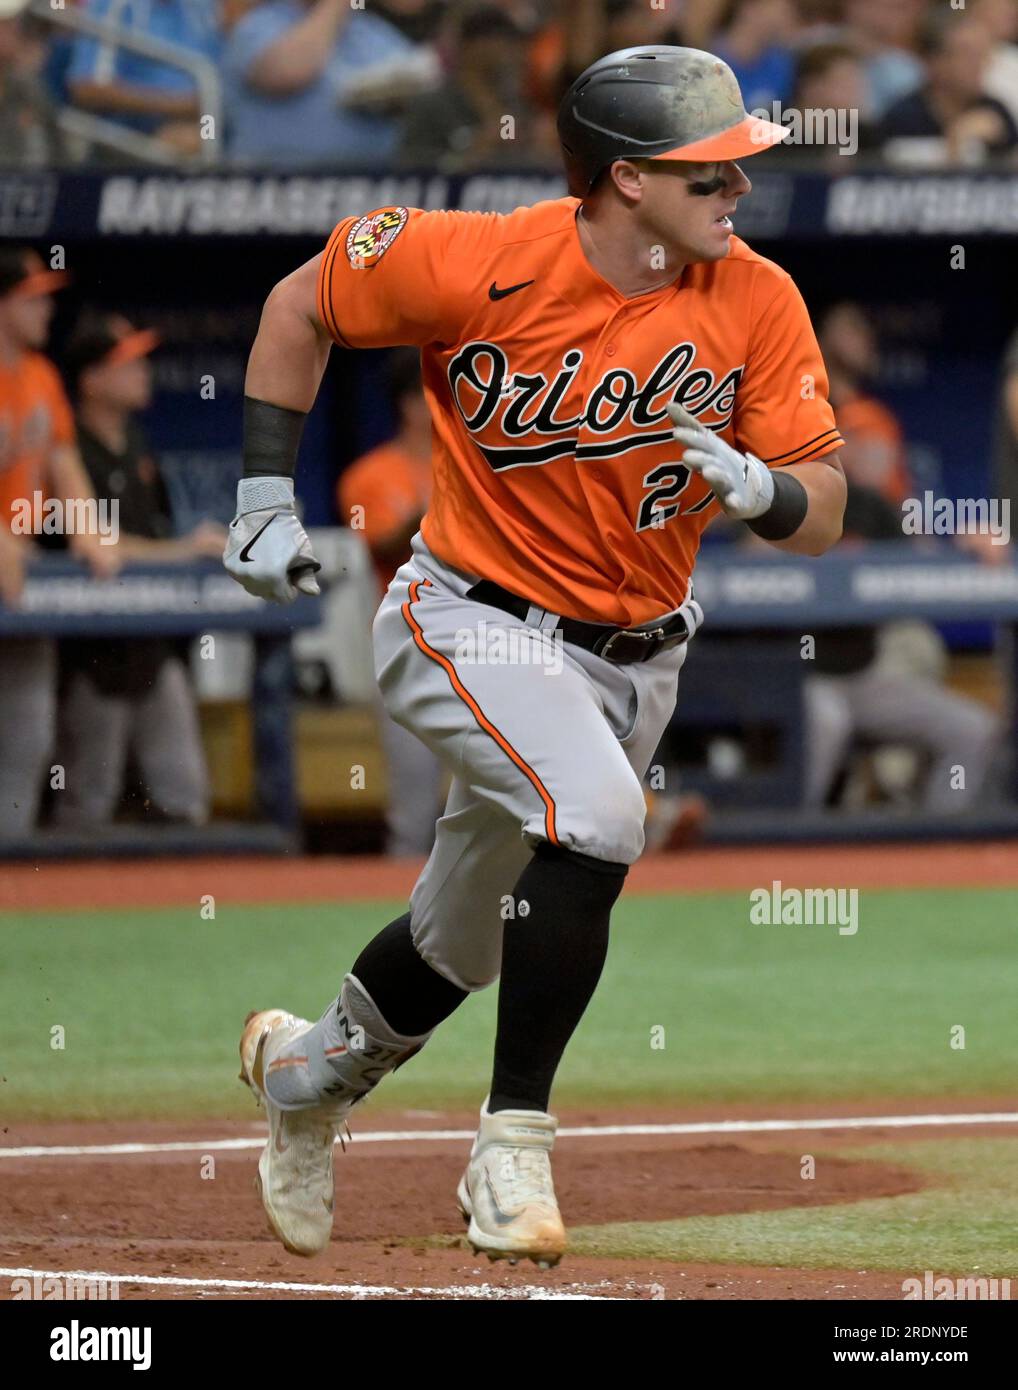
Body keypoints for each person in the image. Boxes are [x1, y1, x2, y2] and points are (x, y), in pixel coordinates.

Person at [223, 44, 846, 1267]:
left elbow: (821, 512)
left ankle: (301, 1077)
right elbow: (300, 302)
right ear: (624, 180)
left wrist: (766, 488)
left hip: (633, 659)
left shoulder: (757, 295)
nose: (738, 189)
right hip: (465, 618)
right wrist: (259, 495)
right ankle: (511, 1147)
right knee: (602, 814)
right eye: (708, 170)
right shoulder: (477, 256)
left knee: (458, 940)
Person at [53, 312, 224, 830]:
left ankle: (196, 903)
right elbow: (92, 543)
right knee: (87, 800)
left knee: (185, 795)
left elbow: (149, 531)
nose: (142, 372)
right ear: (91, 379)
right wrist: (184, 551)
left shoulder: (136, 442)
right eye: (126, 364)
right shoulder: (66, 449)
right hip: (88, 651)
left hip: (151, 646)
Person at [0, 248, 118, 839]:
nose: (47, 308)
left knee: (28, 730)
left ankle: (14, 866)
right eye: (34, 297)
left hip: (19, 578)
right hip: (6, 559)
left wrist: (89, 529)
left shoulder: (42, 375)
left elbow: (64, 463)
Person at [337, 348, 443, 857]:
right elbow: (381, 544)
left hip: (486, 640)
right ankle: (407, 927)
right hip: (411, 645)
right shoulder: (369, 475)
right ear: (410, 402)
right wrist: (439, 508)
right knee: (415, 808)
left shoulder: (480, 464)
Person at [222, 0, 416, 168]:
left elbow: (422, 88)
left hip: (375, 190)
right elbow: (288, 71)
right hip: (277, 189)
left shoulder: (377, 34)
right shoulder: (258, 26)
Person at [397, 6, 554, 171]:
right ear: (469, 46)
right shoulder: (430, 106)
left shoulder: (519, 104)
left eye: (510, 41)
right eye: (495, 39)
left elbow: (526, 160)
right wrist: (471, 154)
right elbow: (409, 171)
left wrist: (539, 150)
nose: (507, 52)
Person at [66, 0, 222, 159]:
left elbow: (220, 81)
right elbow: (87, 89)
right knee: (190, 142)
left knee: (209, 136)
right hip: (126, 137)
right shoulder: (112, 4)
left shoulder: (202, 8)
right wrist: (173, 105)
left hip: (203, 122)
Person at [878, 14, 1018, 165]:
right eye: (968, 55)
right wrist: (955, 143)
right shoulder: (902, 119)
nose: (981, 64)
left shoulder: (995, 112)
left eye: (983, 54)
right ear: (934, 62)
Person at [0, 0, 66, 166]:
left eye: (13, 23)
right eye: (4, 24)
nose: (14, 30)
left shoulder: (31, 89)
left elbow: (59, 160)